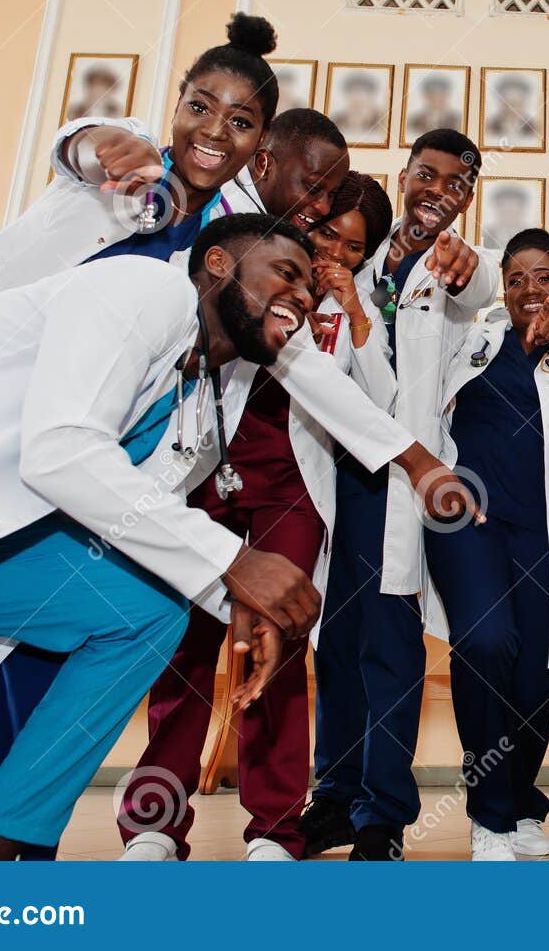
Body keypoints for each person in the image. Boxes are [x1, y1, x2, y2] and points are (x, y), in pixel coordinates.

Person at [0, 217, 330, 859]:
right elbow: (60, 450)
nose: (305, 294)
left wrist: (239, 602)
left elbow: (134, 521)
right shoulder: (144, 291)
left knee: (146, 609)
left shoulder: (188, 387)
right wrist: (234, 559)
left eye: (311, 285)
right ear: (217, 263)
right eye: (287, 273)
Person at [116, 174, 398, 863]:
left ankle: (274, 827)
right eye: (326, 232)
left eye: (352, 248)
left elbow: (382, 401)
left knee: (279, 639)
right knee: (184, 645)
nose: (333, 251)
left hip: (292, 485)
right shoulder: (259, 273)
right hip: (206, 471)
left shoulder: (341, 306)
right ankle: (153, 821)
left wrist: (354, 309)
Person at [0, 13, 286, 378]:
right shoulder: (129, 147)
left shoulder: (227, 237)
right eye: (199, 107)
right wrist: (102, 144)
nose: (214, 131)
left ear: (262, 141)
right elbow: (77, 146)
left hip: (39, 388)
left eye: (241, 122)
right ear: (177, 105)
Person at [303, 128, 497, 862]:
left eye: (455, 184)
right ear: (406, 172)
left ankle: (382, 812)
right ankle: (335, 795)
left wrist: (466, 264)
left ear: (467, 198)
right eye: (427, 173)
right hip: (342, 473)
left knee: (388, 644)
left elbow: (477, 283)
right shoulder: (359, 256)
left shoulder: (450, 269)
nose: (436, 191)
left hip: (401, 483)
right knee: (337, 643)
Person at [422, 228, 549, 860]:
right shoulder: (474, 339)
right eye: (518, 279)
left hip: (541, 531)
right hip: (467, 523)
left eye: (544, 278)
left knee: (534, 675)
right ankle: (489, 816)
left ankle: (522, 800)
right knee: (483, 642)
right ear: (503, 288)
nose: (531, 289)